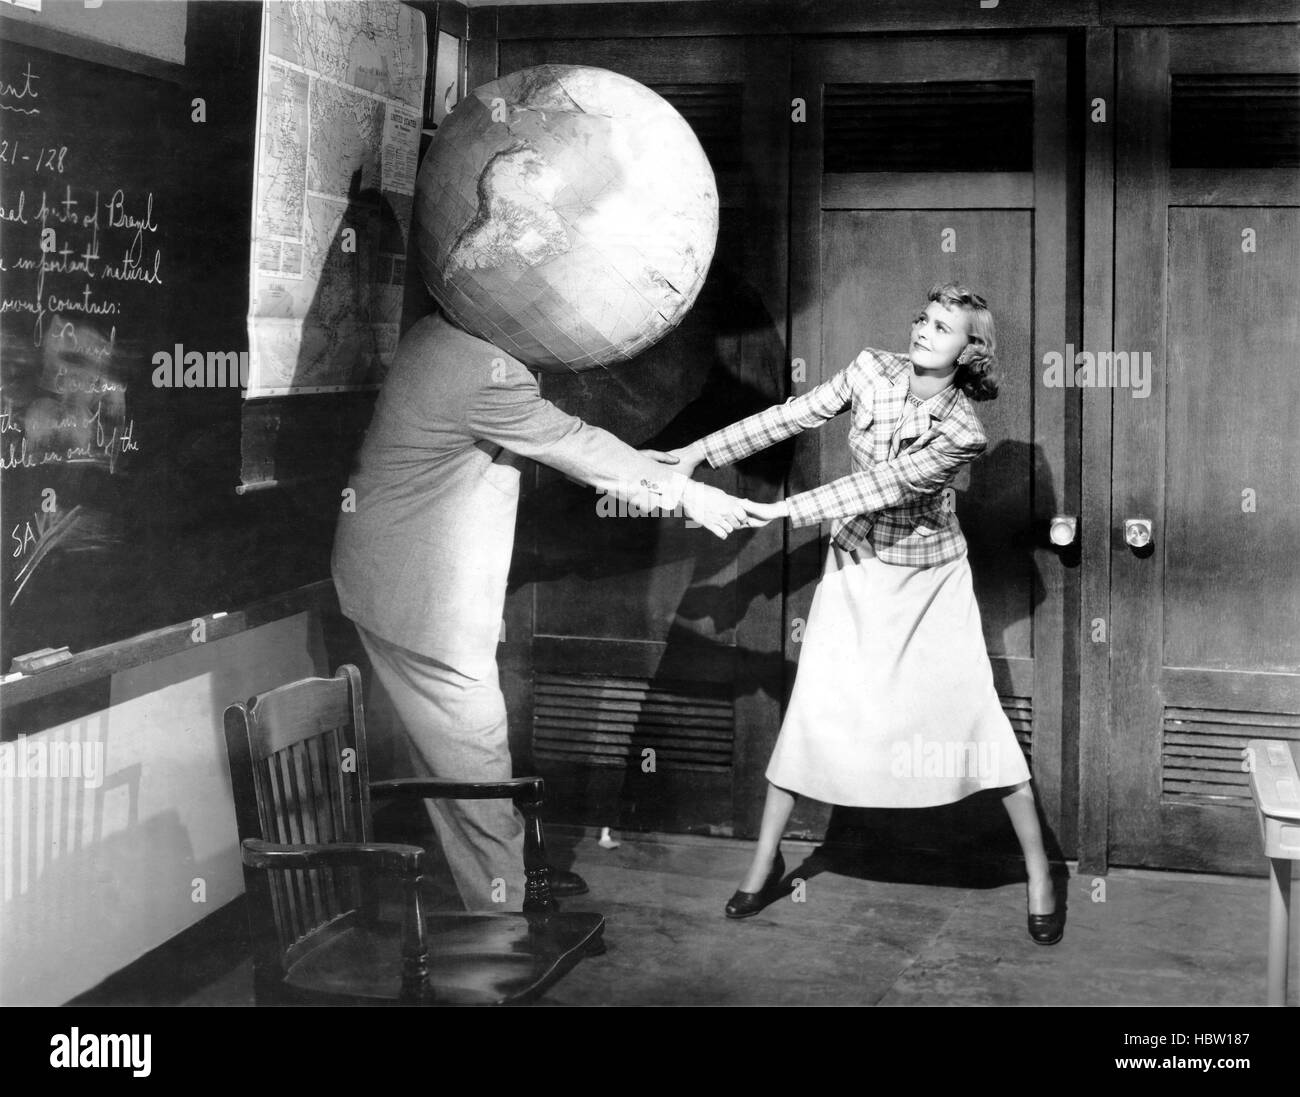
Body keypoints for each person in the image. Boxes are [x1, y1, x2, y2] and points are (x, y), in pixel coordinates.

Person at [670, 282, 1064, 945]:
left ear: (971, 352)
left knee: (972, 720)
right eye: (922, 317)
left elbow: (877, 485)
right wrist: (700, 452)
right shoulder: (869, 369)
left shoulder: (962, 431)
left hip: (929, 586)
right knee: (814, 710)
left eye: (943, 327)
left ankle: (1041, 872)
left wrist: (777, 513)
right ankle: (765, 865)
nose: (923, 330)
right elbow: (791, 415)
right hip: (854, 569)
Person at [332, 307, 749, 912]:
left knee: (449, 760)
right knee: (476, 757)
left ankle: (502, 880)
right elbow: (568, 442)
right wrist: (687, 494)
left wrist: (640, 467)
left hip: (390, 580)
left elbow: (565, 439)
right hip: (414, 599)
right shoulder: (478, 368)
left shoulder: (439, 333)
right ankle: (503, 925)